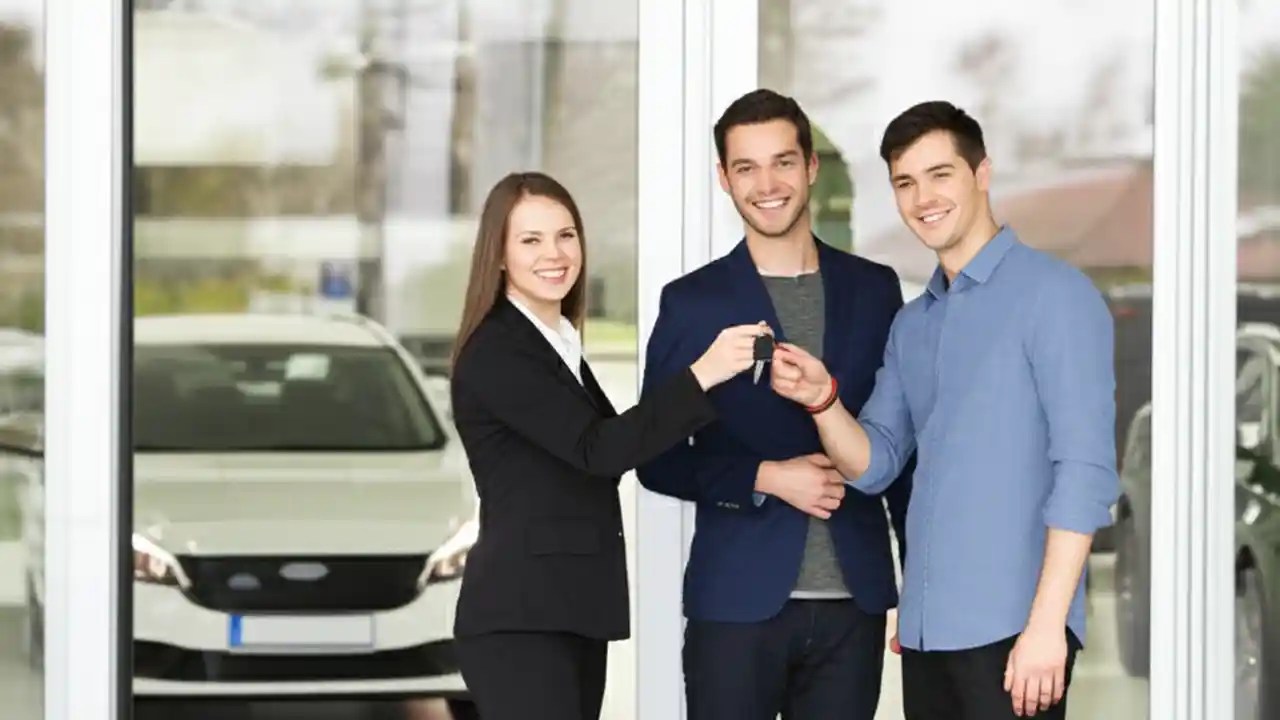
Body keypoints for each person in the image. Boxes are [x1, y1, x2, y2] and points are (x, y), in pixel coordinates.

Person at [768, 100, 1121, 720]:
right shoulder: (915, 323)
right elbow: (874, 462)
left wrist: (1047, 629)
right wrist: (821, 399)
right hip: (928, 635)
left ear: (981, 174)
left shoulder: (1055, 296)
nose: (922, 197)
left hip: (1016, 634)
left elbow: (1085, 472)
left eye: (941, 174)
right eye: (905, 182)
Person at [447, 171, 765, 720]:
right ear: (497, 256)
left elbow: (604, 448)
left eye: (565, 235)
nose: (555, 253)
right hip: (523, 620)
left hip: (564, 611)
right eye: (531, 240)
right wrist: (704, 371)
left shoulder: (557, 344)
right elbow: (600, 449)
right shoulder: (498, 351)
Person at [636, 89, 913, 720]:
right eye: (746, 167)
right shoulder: (693, 303)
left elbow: (903, 449)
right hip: (736, 606)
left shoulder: (875, 291)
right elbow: (653, 456)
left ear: (811, 167)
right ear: (724, 179)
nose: (767, 183)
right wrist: (766, 478)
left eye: (783, 162)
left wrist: (916, 588)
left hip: (855, 604)